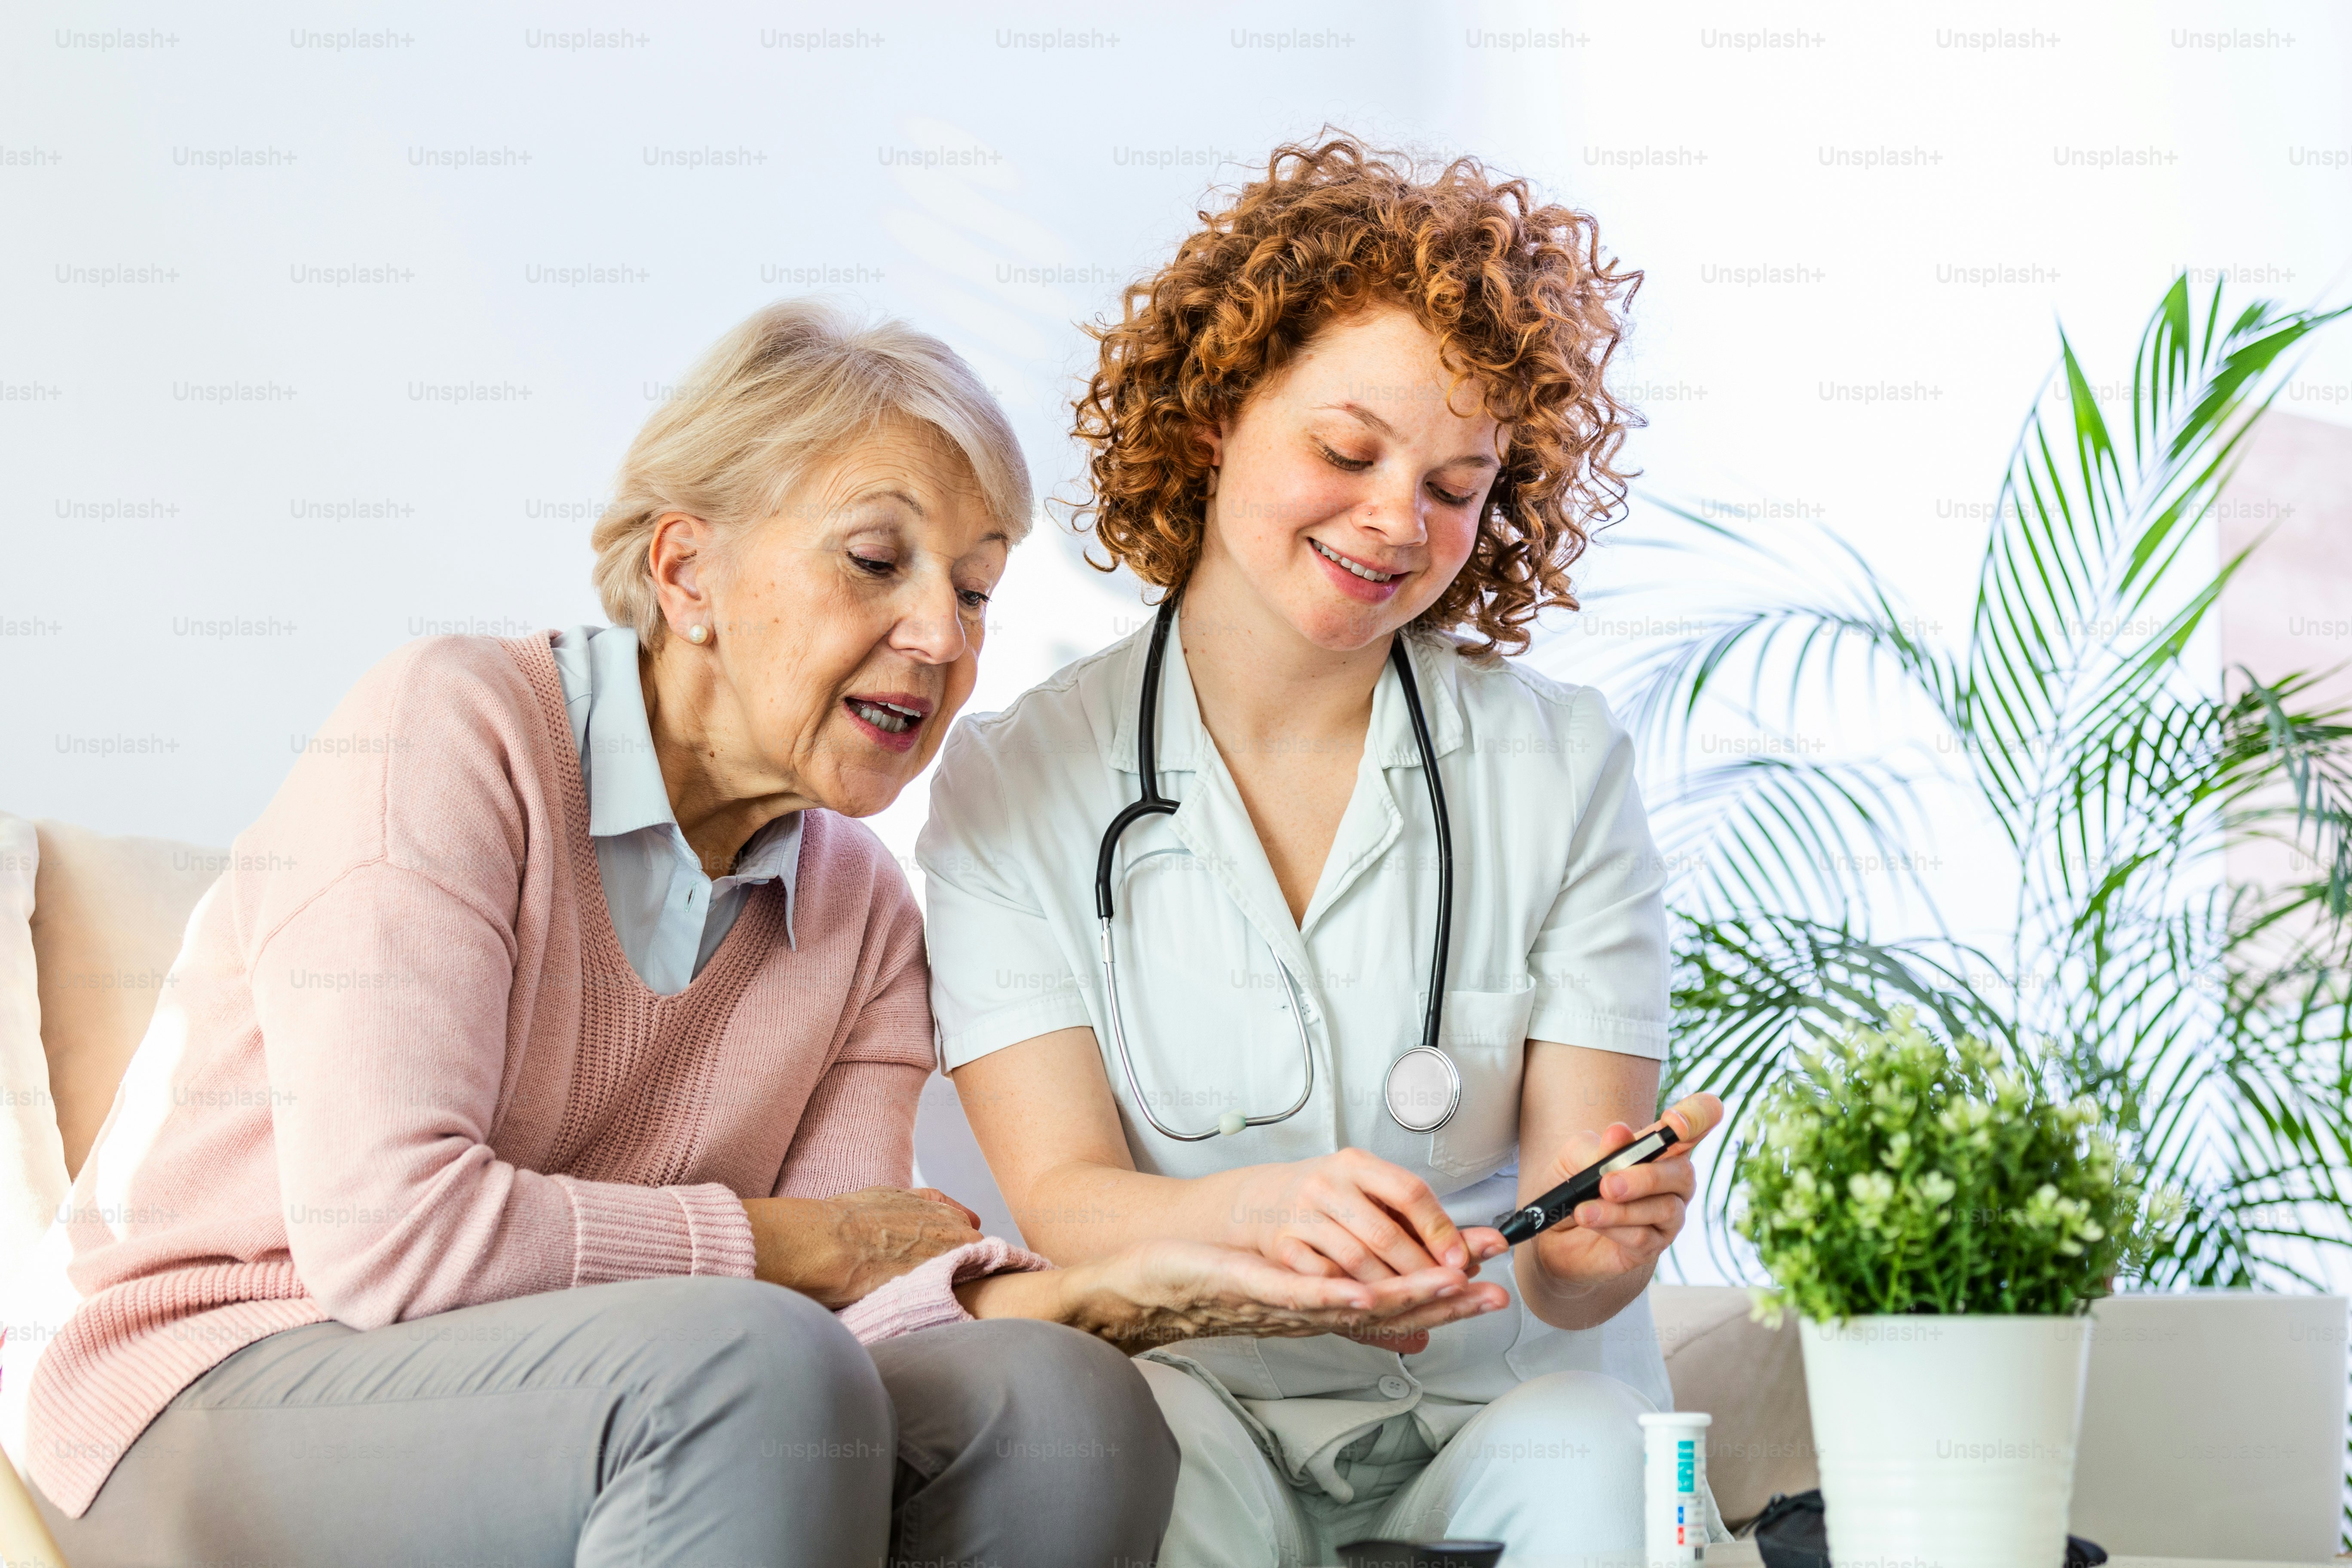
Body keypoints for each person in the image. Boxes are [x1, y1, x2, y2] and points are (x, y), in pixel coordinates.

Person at [6, 299, 1489, 1568]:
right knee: (749, 1364)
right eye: (876, 561)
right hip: (222, 1393)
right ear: (684, 572)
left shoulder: (862, 911)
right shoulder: (452, 731)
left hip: (603, 1388)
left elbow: (875, 1301)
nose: (944, 636)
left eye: (975, 589)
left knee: (1063, 1412)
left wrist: (1126, 1293)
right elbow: (396, 1241)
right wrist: (785, 1248)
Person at [919, 137, 1725, 1565]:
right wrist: (1265, 1210)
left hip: (1510, 1401)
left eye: (1458, 484)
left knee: (1604, 1472)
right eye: (1348, 452)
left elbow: (1572, 1262)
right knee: (1137, 1477)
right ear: (1220, 411)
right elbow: (1063, 1199)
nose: (1395, 522)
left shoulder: (1559, 767)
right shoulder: (1016, 783)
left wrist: (1601, 1248)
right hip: (1202, 1393)